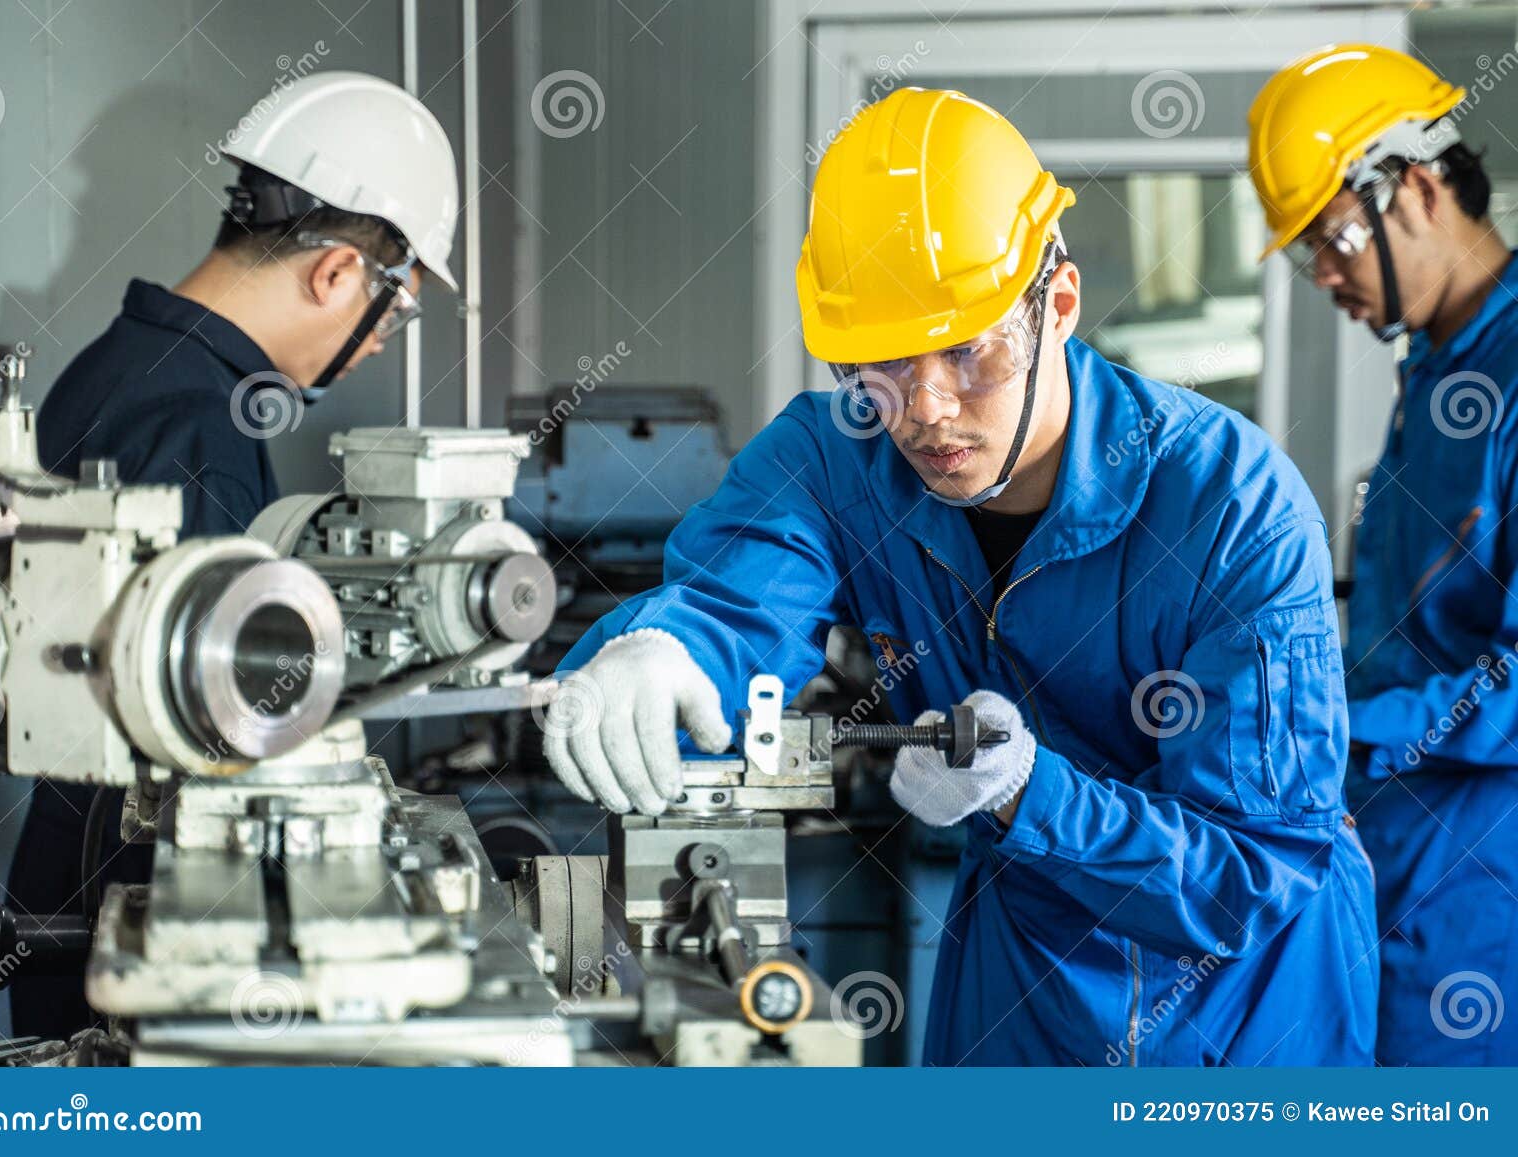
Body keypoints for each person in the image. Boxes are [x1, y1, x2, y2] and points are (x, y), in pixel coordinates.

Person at [541, 86, 1378, 1066]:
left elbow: (1251, 869)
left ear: (1057, 303)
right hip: (1021, 974)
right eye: (881, 363)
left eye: (967, 350)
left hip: (1242, 1016)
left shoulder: (1232, 506)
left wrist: (1030, 791)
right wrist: (662, 644)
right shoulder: (839, 458)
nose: (925, 409)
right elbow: (737, 590)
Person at [4, 70, 459, 1039]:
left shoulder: (127, 359)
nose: (382, 342)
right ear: (338, 273)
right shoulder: (198, 422)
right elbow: (206, 713)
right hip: (130, 893)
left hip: (75, 868)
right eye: (399, 312)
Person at [1249, 44, 1518, 1064]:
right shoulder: (1436, 373)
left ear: (1410, 189)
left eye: (1329, 236)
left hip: (1482, 894)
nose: (1322, 272)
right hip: (1392, 857)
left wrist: (1338, 726)